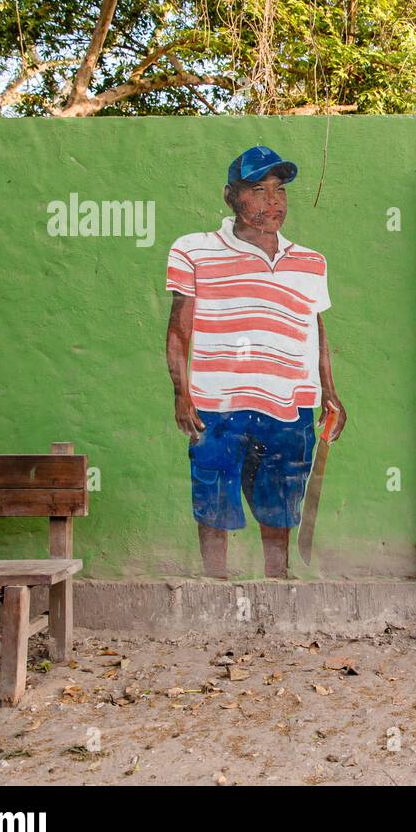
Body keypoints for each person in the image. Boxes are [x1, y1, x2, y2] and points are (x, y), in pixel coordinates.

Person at [165, 145, 347, 579]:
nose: (272, 201)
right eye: (258, 190)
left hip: (290, 403)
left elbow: (314, 331)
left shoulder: (310, 261)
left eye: (279, 190)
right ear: (231, 196)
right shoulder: (194, 251)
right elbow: (179, 330)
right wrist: (182, 392)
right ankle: (214, 587)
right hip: (216, 404)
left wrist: (330, 395)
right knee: (214, 497)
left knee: (280, 501)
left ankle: (275, 588)